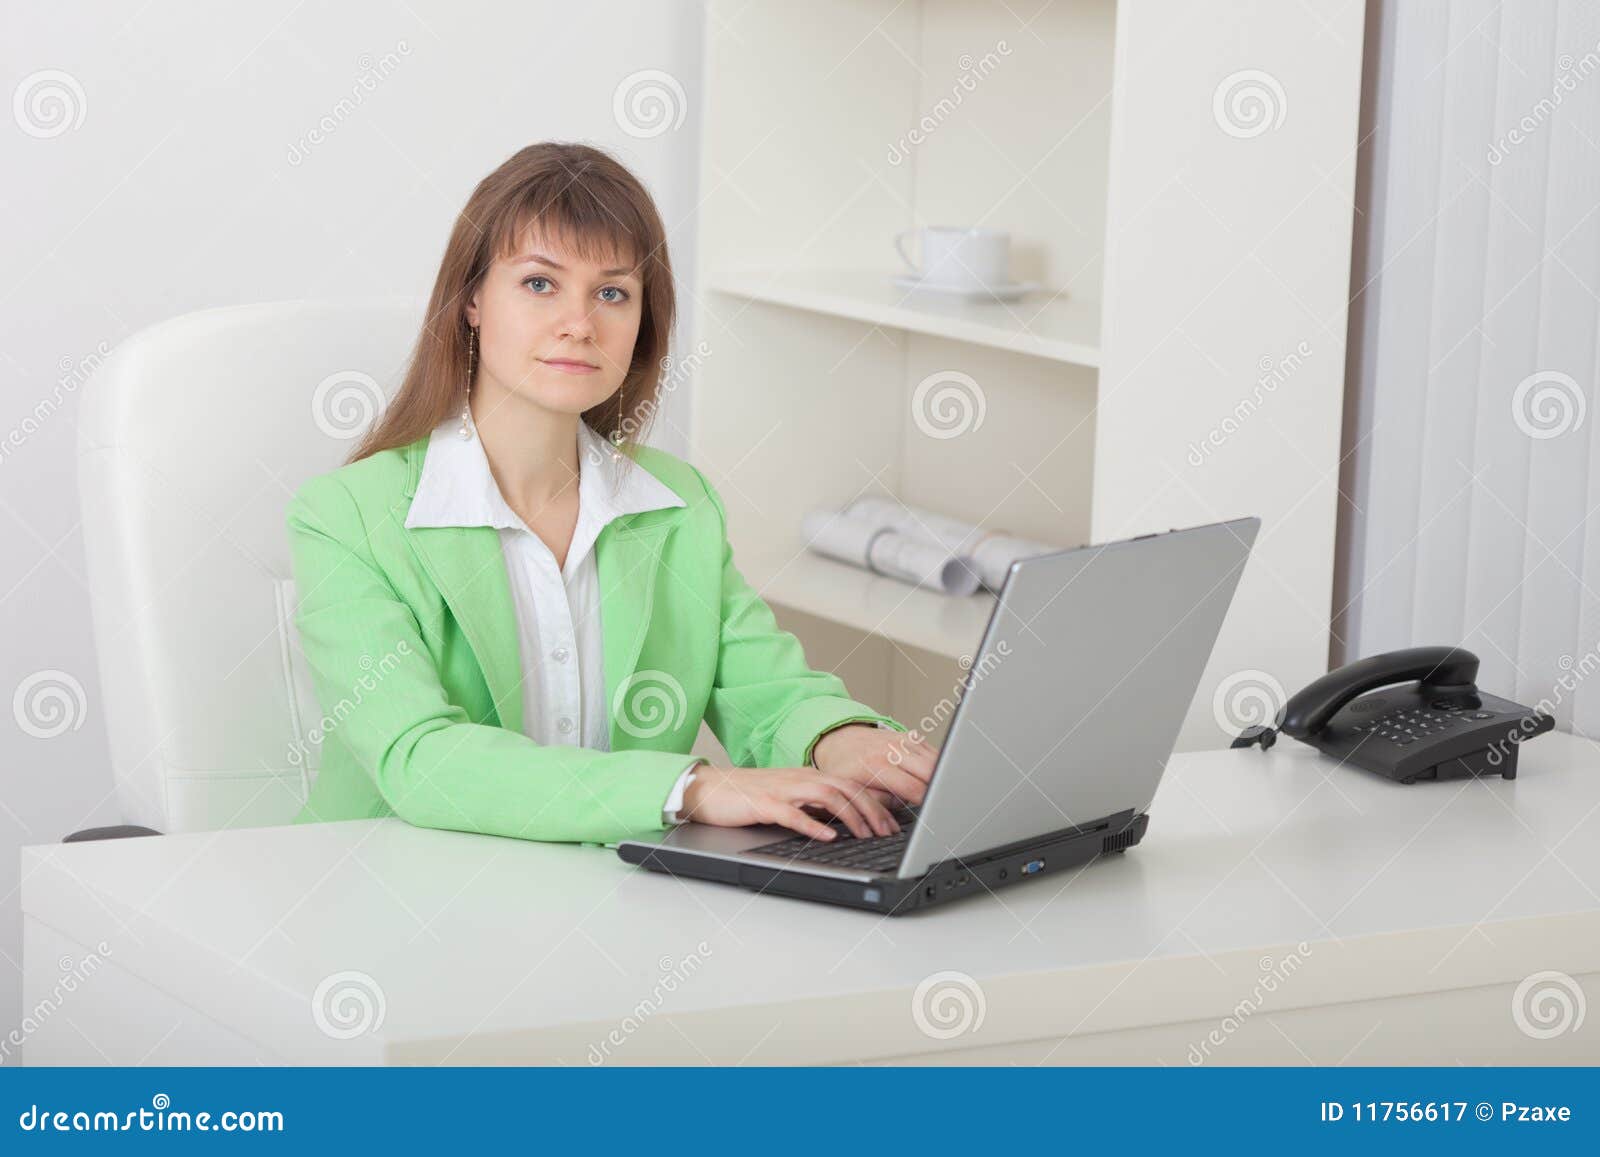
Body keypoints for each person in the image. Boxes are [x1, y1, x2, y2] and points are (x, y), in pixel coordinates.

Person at [286, 141, 938, 847]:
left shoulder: (677, 503)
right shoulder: (344, 517)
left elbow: (766, 686)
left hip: (614, 892)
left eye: (612, 293)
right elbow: (419, 758)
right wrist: (689, 789)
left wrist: (839, 738)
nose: (580, 324)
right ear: (471, 300)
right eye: (540, 283)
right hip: (396, 887)